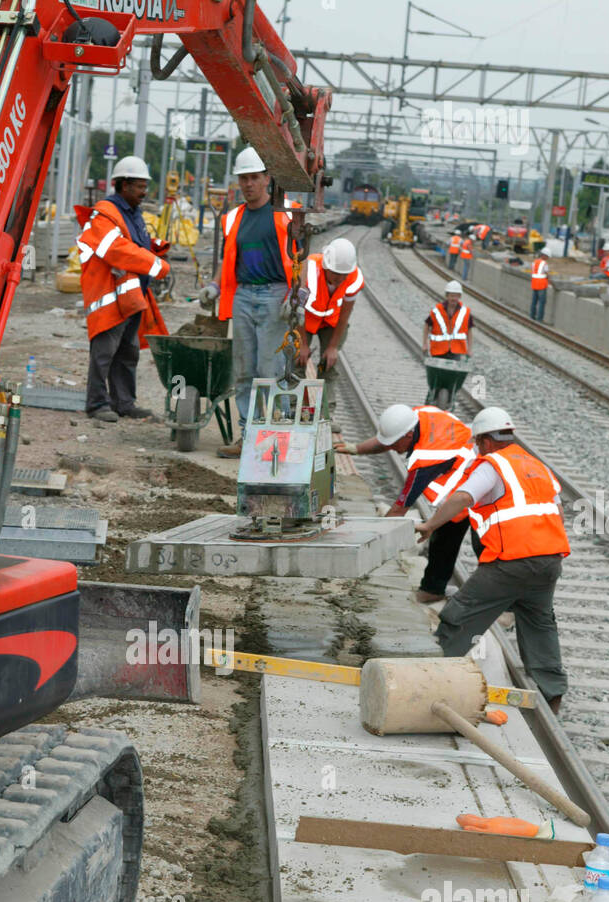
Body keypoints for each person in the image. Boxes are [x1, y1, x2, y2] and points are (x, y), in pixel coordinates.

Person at [415, 405, 568, 713]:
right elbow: (558, 512)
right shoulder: (536, 465)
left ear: (485, 440)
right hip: (549, 560)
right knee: (539, 623)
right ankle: (551, 694)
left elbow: (463, 497)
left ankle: (430, 676)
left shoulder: (492, 465)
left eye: (477, 442)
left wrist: (430, 525)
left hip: (511, 562)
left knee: (462, 612)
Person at [199, 146, 296, 459]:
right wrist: (215, 285)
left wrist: (297, 294)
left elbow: (302, 256)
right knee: (243, 371)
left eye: (254, 177)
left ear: (267, 178)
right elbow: (228, 257)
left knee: (271, 368)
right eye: (244, 178)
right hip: (243, 296)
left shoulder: (287, 213)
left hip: (274, 295)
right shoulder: (233, 219)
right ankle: (247, 435)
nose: (248, 184)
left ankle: (276, 440)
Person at [341, 403, 479, 603]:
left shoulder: (425, 460)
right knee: (444, 532)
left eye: (394, 443)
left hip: (481, 483)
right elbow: (388, 440)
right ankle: (434, 589)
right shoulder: (416, 416)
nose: (391, 448)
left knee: (480, 543)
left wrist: (369, 549)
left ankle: (499, 602)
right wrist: (356, 449)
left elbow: (398, 510)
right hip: (470, 464)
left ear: (408, 435)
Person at [78, 155, 170, 423]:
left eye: (145, 186)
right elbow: (115, 248)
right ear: (124, 185)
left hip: (130, 295)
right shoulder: (105, 214)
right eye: (140, 186)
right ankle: (97, 404)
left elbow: (133, 244)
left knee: (128, 352)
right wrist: (154, 263)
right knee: (104, 352)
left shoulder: (132, 213)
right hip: (109, 296)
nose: (144, 192)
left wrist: (153, 247)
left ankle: (124, 403)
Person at [297, 237, 364, 397]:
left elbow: (345, 316)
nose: (339, 279)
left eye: (344, 274)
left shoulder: (354, 278)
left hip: (331, 324)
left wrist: (333, 347)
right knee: (297, 359)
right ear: (326, 266)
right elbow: (297, 311)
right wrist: (303, 344)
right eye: (335, 273)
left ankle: (326, 407)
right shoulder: (308, 270)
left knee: (328, 364)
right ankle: (293, 405)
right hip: (304, 321)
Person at [423, 279, 473, 360]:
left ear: (459, 296)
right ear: (447, 296)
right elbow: (427, 325)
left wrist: (469, 349)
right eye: (451, 296)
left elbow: (469, 331)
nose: (454, 298)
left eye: (456, 296)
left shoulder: (465, 312)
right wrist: (425, 344)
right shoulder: (437, 310)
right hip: (438, 350)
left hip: (456, 351)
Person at [530, 245, 549, 321]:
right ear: (544, 255)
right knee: (542, 302)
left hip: (534, 284)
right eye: (547, 256)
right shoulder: (544, 263)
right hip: (541, 285)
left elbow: (533, 272)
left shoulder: (534, 262)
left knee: (534, 301)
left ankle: (532, 316)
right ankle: (539, 319)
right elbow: (547, 274)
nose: (548, 258)